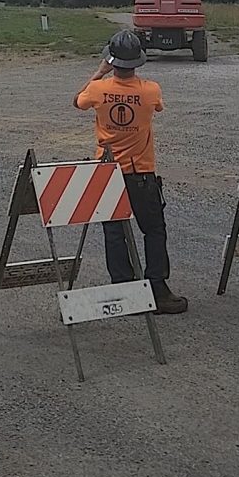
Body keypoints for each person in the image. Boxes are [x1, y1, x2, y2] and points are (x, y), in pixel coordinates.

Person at [73, 29, 188, 314]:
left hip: (107, 171)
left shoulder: (97, 90)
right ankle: (158, 288)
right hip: (141, 172)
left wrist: (100, 71)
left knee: (114, 231)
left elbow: (78, 101)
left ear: (112, 60)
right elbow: (158, 108)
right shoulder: (150, 90)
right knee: (154, 229)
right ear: (138, 60)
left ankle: (123, 290)